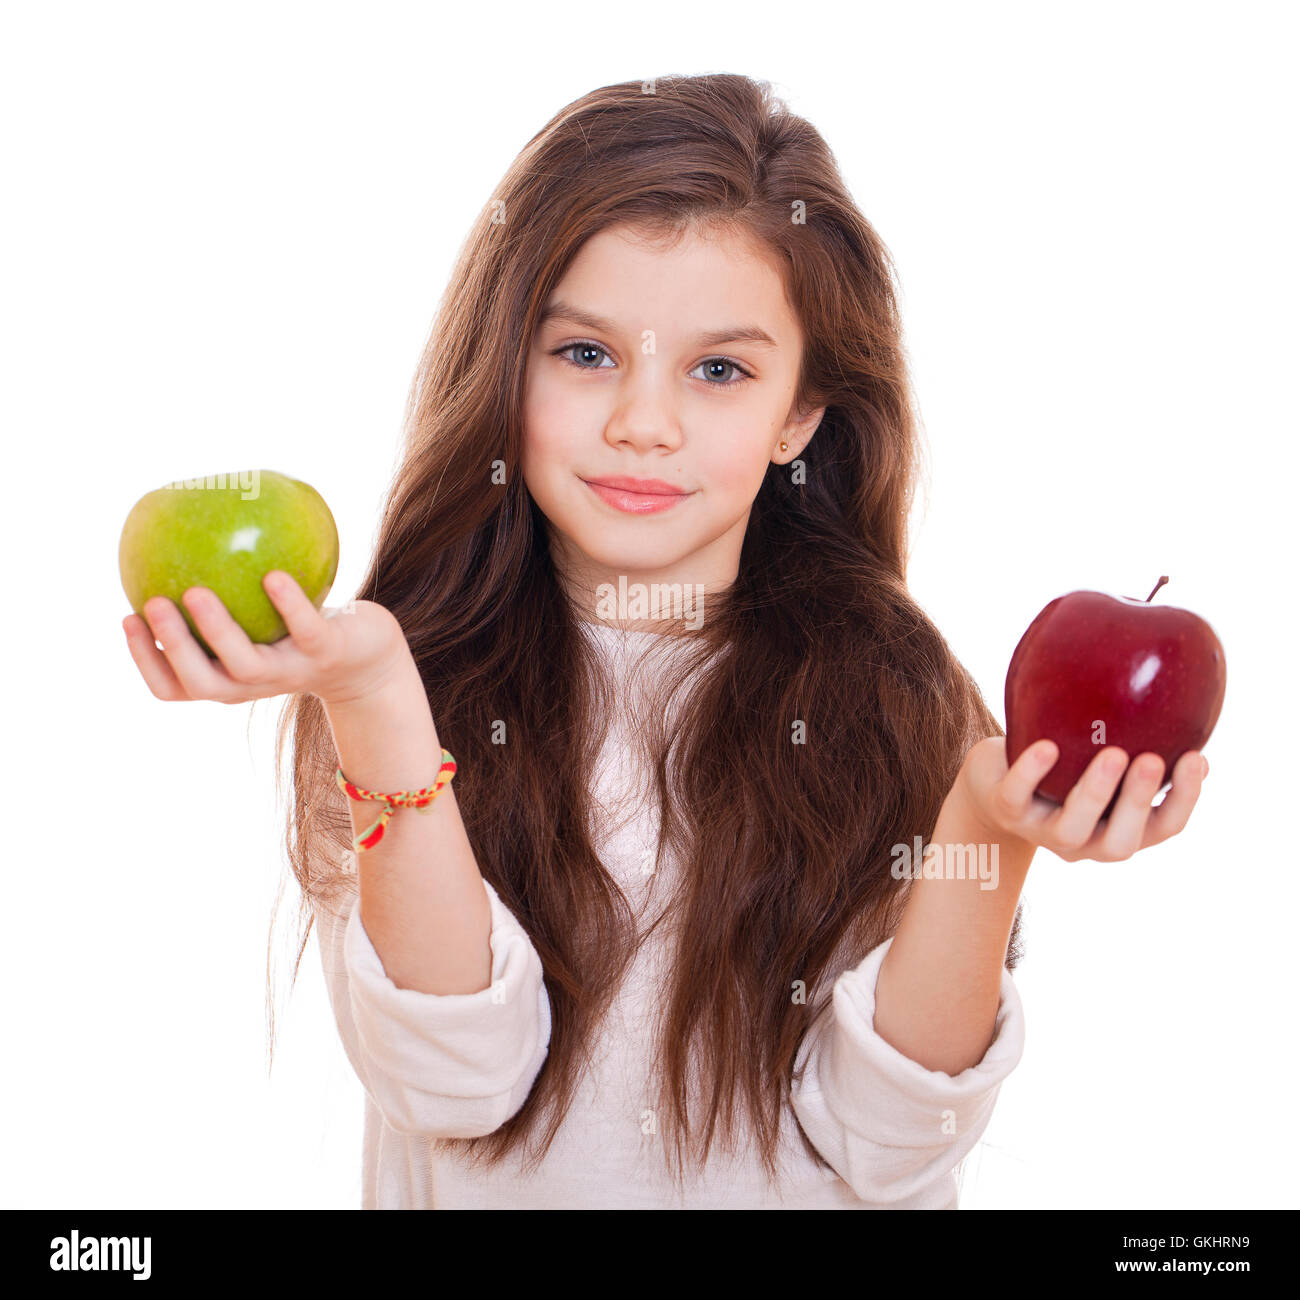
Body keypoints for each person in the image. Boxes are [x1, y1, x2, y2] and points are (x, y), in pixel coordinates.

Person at [122, 73, 1208, 1209]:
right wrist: (376, 694)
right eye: (586, 354)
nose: (644, 422)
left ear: (799, 414)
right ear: (509, 365)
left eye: (720, 369)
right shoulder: (406, 677)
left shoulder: (893, 694)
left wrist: (988, 828)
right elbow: (456, 1083)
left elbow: (890, 1143)